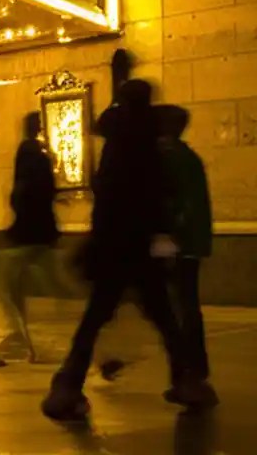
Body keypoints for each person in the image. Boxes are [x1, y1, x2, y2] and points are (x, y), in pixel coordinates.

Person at [43, 79, 212, 420]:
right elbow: (154, 195)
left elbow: (105, 192)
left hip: (113, 244)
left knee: (95, 319)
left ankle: (67, 385)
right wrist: (160, 232)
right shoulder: (147, 144)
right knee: (164, 318)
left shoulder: (115, 141)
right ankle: (186, 380)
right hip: (139, 245)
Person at [156, 104, 214, 392]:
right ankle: (194, 367)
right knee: (187, 305)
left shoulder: (170, 158)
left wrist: (169, 234)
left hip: (176, 243)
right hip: (189, 242)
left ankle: (188, 369)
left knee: (179, 307)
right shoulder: (188, 156)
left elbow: (174, 203)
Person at [0, 111, 60, 365]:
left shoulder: (28, 154)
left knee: (6, 286)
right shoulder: (42, 157)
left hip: (27, 234)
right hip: (43, 231)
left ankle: (18, 342)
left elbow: (23, 192)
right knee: (23, 286)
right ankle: (22, 344)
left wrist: (17, 205)